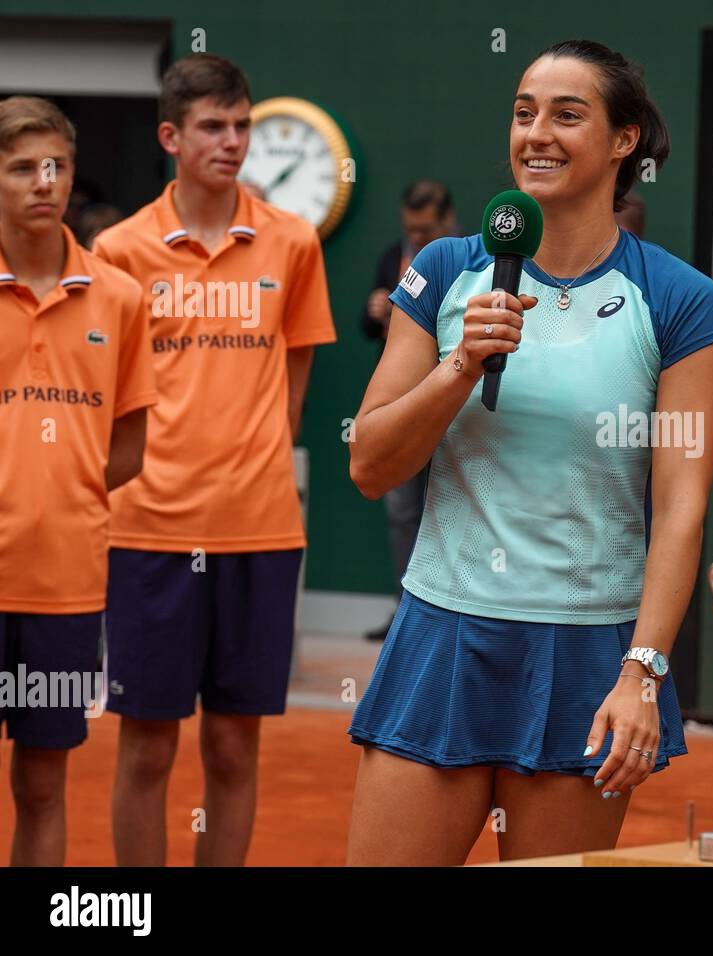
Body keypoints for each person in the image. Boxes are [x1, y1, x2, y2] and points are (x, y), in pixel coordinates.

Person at [345, 39, 713, 865]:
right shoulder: (445, 271)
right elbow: (372, 463)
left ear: (624, 140)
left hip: (587, 654)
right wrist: (461, 365)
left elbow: (681, 507)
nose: (537, 134)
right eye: (524, 113)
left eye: (568, 114)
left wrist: (643, 670)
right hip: (443, 634)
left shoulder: (682, 302)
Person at [92, 54, 337, 866]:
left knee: (233, 751)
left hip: (259, 531)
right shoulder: (121, 251)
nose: (232, 142)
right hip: (149, 532)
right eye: (213, 127)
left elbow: (295, 389)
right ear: (171, 136)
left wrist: (248, 458)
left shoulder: (293, 241)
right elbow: (109, 397)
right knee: (149, 750)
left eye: (242, 125)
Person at [0, 96, 156, 865]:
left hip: (64, 590)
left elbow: (129, 446)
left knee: (42, 783)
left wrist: (55, 493)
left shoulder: (121, 298)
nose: (44, 181)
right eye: (23, 167)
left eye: (55, 165)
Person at [360, 180, 458, 641]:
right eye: (411, 231)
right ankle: (405, 610)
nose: (416, 239)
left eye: (425, 230)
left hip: (459, 410)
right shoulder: (391, 256)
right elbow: (367, 325)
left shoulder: (467, 263)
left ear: (447, 220)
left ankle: (446, 613)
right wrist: (376, 309)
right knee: (401, 510)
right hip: (399, 404)